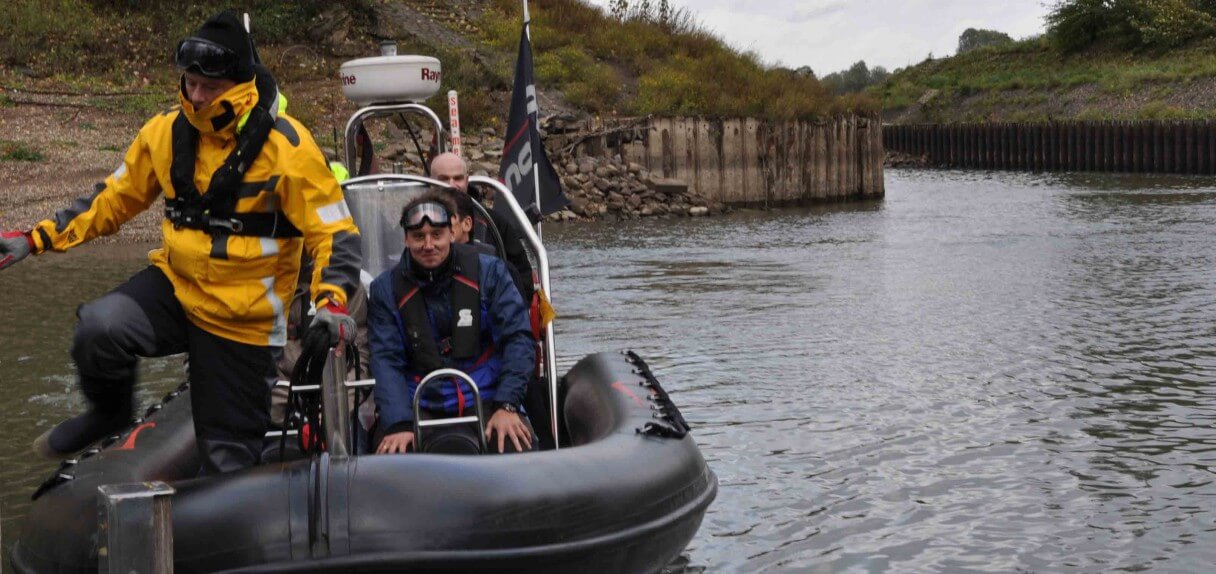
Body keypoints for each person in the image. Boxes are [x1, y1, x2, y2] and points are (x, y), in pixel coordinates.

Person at [0, 10, 362, 475]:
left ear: (241, 85)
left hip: (244, 319)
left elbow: (334, 232)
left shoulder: (289, 148)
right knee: (100, 328)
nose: (197, 96)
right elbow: (112, 199)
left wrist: (331, 302)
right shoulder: (164, 132)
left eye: (209, 87)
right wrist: (35, 238)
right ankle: (108, 413)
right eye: (190, 84)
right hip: (178, 286)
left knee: (227, 461)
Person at [369, 192, 535, 454]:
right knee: (391, 456)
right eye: (419, 237)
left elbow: (518, 338)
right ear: (406, 239)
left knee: (517, 443)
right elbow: (386, 359)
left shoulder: (490, 272)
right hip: (420, 403)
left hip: (487, 395)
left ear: (451, 233)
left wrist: (507, 404)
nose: (428, 245)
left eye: (436, 235)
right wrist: (398, 422)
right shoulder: (385, 290)